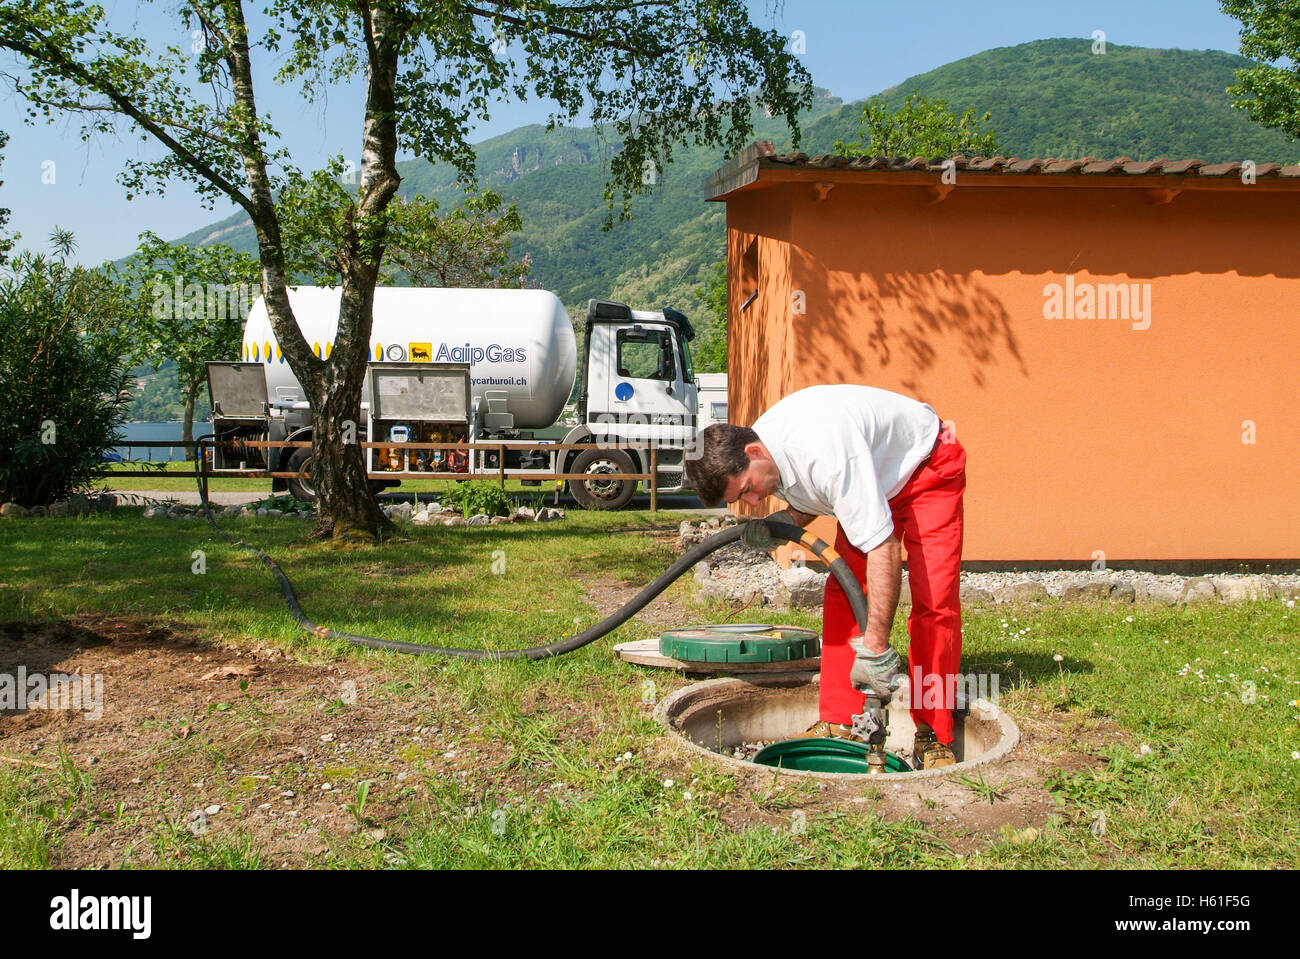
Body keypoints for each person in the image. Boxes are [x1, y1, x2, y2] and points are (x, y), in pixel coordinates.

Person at [685, 384, 966, 769]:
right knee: (845, 589)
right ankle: (839, 719)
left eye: (748, 490)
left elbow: (882, 549)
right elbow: (810, 495)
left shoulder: (826, 452)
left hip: (926, 469)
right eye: (741, 500)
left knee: (935, 601)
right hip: (872, 478)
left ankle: (933, 734)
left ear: (753, 452)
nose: (752, 503)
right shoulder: (767, 445)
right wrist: (783, 521)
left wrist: (876, 649)